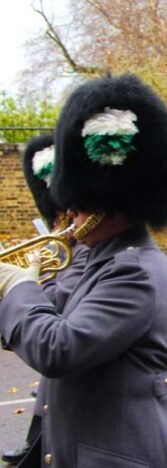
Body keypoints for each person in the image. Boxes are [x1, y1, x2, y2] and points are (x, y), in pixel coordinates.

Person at [0, 74, 167, 467]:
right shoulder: (100, 259)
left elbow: (58, 348)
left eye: (79, 203)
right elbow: (51, 311)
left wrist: (18, 286)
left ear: (109, 202)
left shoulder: (134, 272)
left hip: (124, 454)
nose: (69, 212)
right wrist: (27, 285)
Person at [1, 135, 91, 465]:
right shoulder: (67, 243)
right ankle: (33, 447)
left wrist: (22, 283)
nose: (67, 219)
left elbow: (61, 308)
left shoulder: (95, 255)